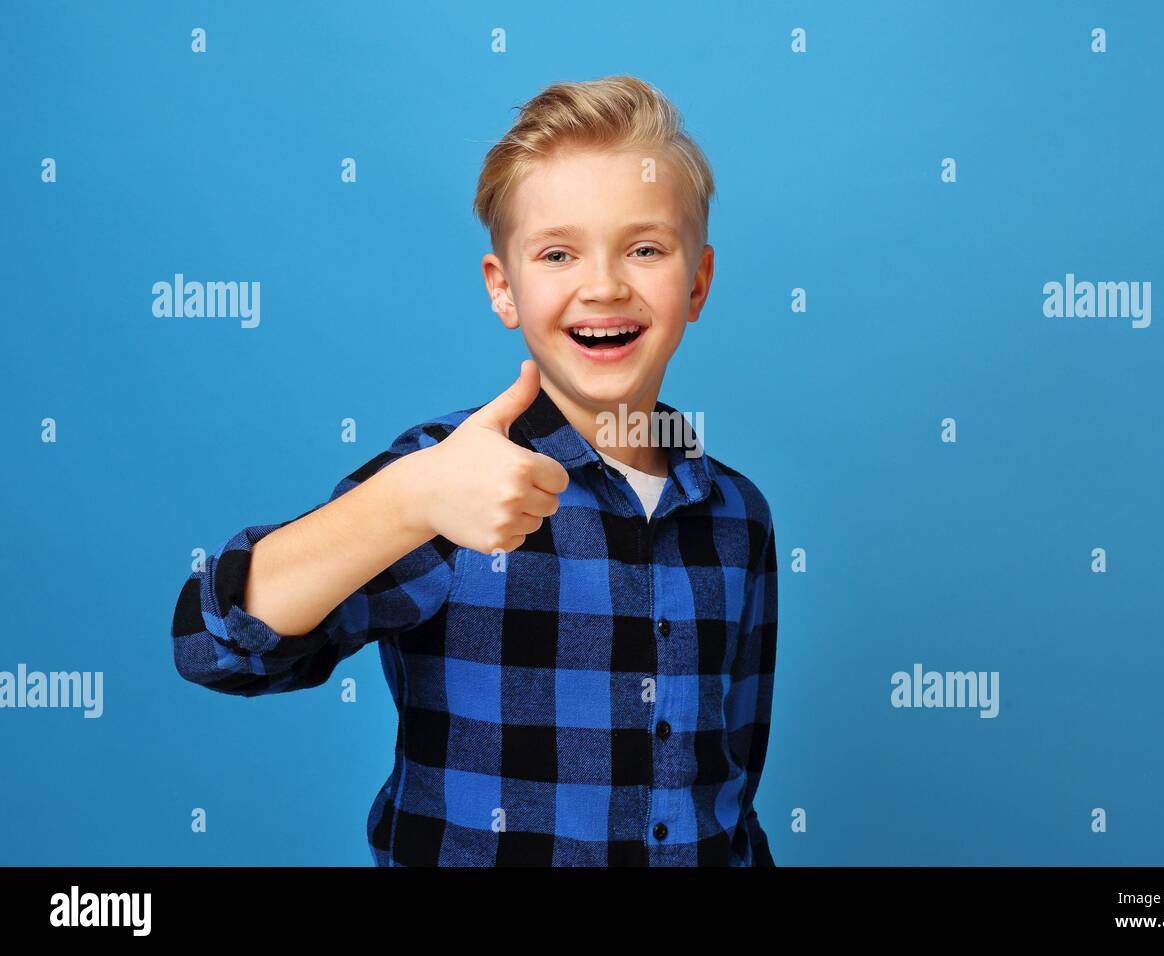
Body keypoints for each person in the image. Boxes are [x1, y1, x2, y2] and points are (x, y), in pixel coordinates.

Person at [170, 74, 779, 867]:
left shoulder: (740, 517)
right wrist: (408, 501)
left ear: (696, 282)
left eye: (645, 249)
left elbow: (732, 789)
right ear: (504, 288)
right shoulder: (445, 480)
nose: (603, 284)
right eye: (558, 253)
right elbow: (213, 645)